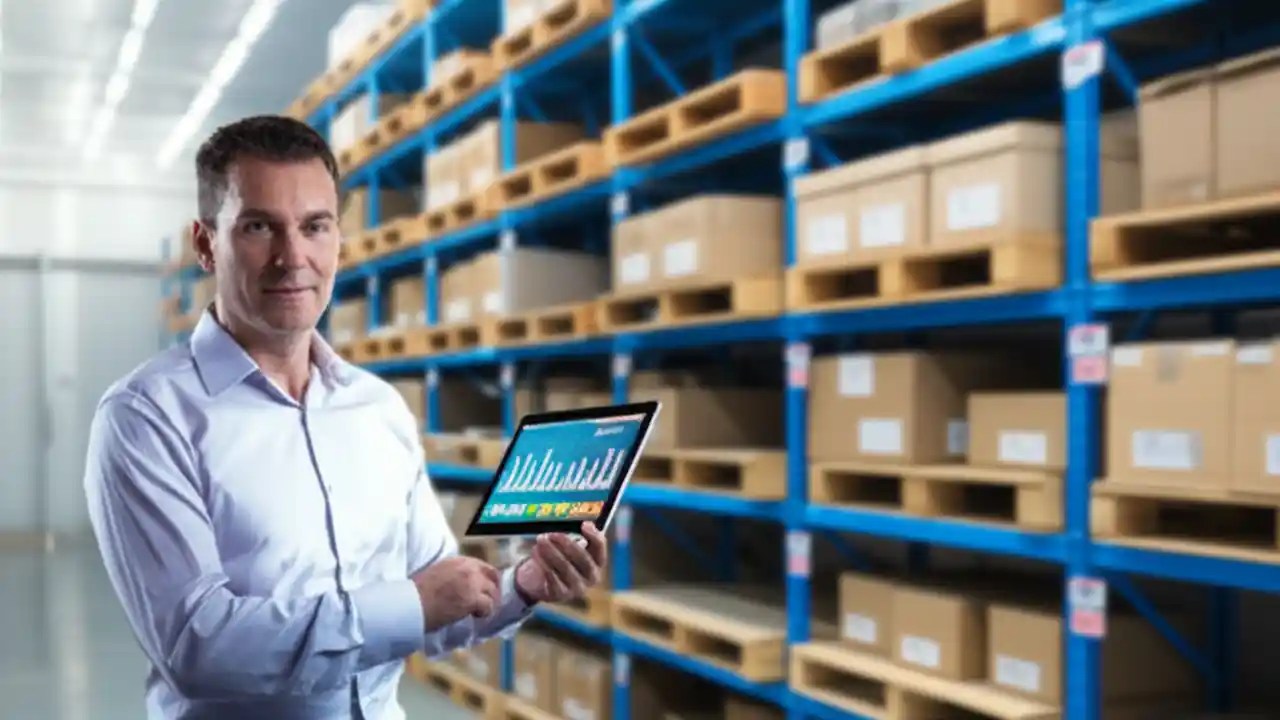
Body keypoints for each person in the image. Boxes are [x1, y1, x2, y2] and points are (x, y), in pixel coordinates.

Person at [83, 115, 608, 719]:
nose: (293, 257)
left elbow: (436, 602)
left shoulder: (376, 409)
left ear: (338, 239)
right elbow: (199, 645)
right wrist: (410, 605)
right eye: (259, 227)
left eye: (315, 226)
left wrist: (520, 587)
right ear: (206, 244)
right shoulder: (147, 418)